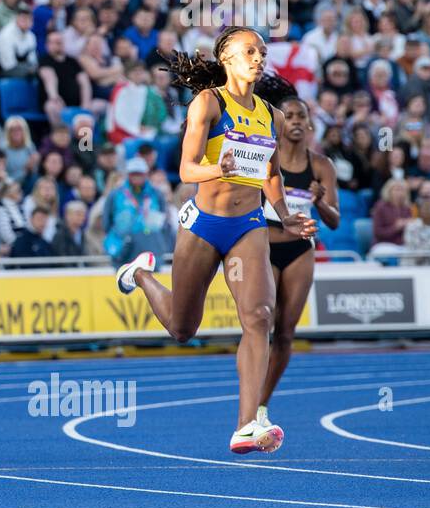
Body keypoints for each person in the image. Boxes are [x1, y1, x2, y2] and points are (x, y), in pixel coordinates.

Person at [115, 25, 316, 454]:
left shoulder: (271, 115)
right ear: (226, 57)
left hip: (248, 225)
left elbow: (272, 174)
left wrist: (285, 216)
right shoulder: (208, 103)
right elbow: (186, 169)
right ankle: (142, 275)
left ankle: (246, 424)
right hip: (204, 224)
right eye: (249, 51)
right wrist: (216, 168)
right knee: (183, 328)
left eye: (262, 51)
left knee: (261, 316)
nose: (258, 58)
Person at [255, 74, 340, 429]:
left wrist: (320, 203)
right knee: (262, 322)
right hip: (265, 246)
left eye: (302, 117)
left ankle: (261, 404)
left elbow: (334, 222)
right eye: (289, 116)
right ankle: (250, 391)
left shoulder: (321, 165)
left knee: (286, 331)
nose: (296, 122)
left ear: (309, 123)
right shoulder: (264, 159)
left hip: (300, 250)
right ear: (278, 121)